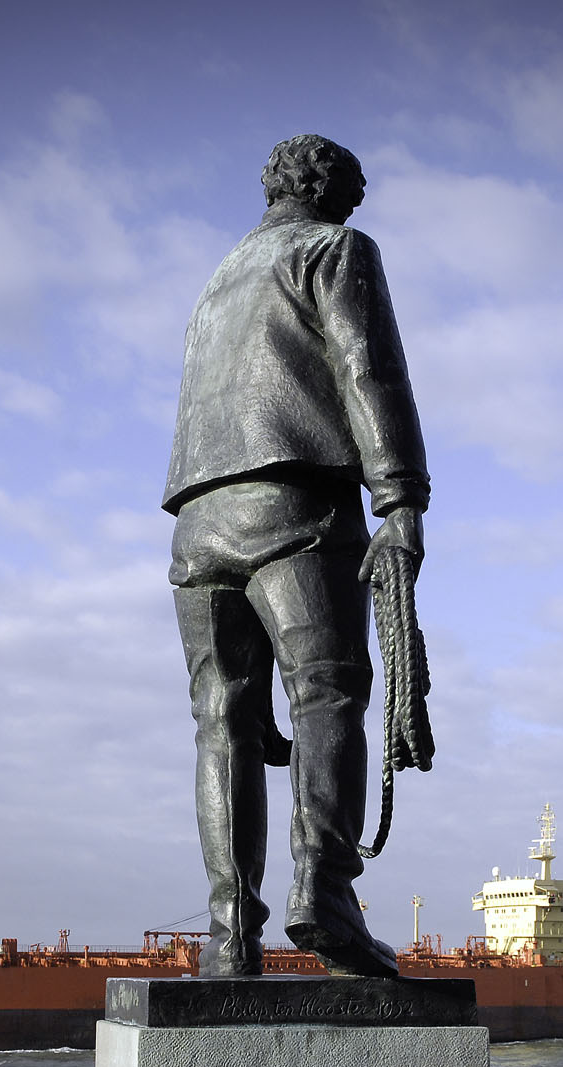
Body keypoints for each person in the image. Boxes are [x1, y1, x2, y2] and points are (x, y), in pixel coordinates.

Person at [164, 134, 429, 979]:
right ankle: (327, 891)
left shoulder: (217, 282)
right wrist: (400, 498)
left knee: (224, 722)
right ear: (331, 190)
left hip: (197, 521)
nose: (358, 203)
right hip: (295, 503)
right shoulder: (335, 249)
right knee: (329, 692)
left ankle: (228, 937)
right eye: (354, 188)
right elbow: (367, 369)